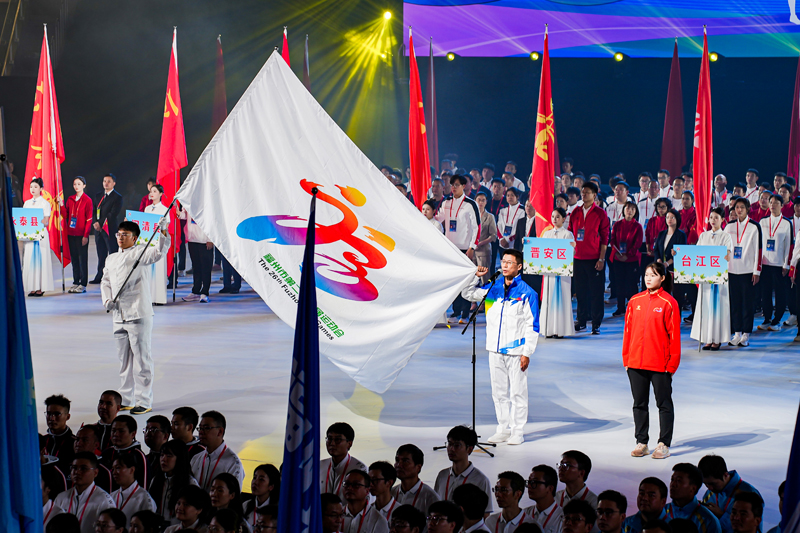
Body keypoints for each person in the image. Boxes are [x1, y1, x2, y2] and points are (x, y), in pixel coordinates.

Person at [462, 249, 540, 444]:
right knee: (498, 392)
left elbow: (533, 326)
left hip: (516, 351)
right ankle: (503, 428)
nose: (504, 266)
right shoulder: (493, 288)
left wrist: (527, 352)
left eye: (509, 262)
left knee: (517, 392)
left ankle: (517, 431)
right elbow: (468, 294)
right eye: (503, 262)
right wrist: (474, 276)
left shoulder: (527, 293)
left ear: (519, 267)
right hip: (494, 349)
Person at [101, 219, 170, 414]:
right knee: (124, 361)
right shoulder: (111, 258)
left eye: (125, 235)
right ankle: (127, 398)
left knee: (142, 359)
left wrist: (163, 230)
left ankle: (144, 400)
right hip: (118, 314)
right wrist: (107, 301)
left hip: (138, 313)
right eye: (119, 234)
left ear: (135, 238)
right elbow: (105, 282)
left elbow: (159, 251)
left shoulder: (141, 252)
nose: (121, 238)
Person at [623, 262, 681, 460]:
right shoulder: (634, 301)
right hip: (636, 363)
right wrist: (626, 359)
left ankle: (663, 443)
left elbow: (674, 336)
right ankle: (642, 442)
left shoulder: (668, 303)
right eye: (647, 274)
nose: (648, 278)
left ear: (662, 278)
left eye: (653, 275)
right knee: (639, 403)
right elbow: (628, 333)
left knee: (663, 404)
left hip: (660, 365)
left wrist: (672, 364)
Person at [435, 175, 480, 323]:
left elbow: (476, 227)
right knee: (454, 282)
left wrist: (472, 247)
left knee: (466, 283)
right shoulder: (446, 202)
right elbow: (437, 219)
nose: (453, 187)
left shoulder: (470, 204)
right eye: (452, 185)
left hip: (465, 248)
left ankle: (465, 313)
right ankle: (455, 312)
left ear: (464, 186)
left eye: (457, 185)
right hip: (450, 249)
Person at [568, 181, 610, 334]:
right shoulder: (575, 212)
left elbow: (605, 238)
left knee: (596, 292)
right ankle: (582, 320)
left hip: (594, 259)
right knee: (580, 292)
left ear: (594, 195)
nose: (584, 194)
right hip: (578, 258)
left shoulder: (600, 213)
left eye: (587, 192)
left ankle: (596, 323)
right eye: (583, 192)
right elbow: (569, 234)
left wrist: (601, 259)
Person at [691, 208, 733, 350]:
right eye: (711, 217)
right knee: (706, 306)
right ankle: (707, 338)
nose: (713, 220)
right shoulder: (703, 235)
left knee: (718, 307)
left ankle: (717, 339)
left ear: (722, 220)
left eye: (716, 217)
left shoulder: (726, 236)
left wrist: (725, 255)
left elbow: (727, 254)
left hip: (719, 277)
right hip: (706, 277)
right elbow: (696, 253)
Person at [724, 198, 762, 347]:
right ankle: (737, 333)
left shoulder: (754, 226)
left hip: (747, 271)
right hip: (732, 270)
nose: (738, 210)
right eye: (736, 207)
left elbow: (758, 250)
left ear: (747, 209)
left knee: (747, 303)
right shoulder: (729, 226)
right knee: (735, 303)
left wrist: (756, 271)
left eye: (741, 207)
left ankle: (746, 334)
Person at [434, 426, 492, 513]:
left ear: (469, 449)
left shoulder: (481, 480)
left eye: (457, 445)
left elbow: (485, 514)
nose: (451, 449)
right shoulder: (442, 475)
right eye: (449, 444)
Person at [54, 453, 116, 533]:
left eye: (83, 468)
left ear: (95, 472)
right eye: (74, 468)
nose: (77, 472)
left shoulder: (104, 501)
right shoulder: (61, 497)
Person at [756, 195, 793, 331]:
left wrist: (786, 265)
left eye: (776, 203)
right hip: (765, 263)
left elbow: (789, 245)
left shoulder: (787, 223)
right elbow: (759, 244)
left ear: (781, 205)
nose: (772, 205)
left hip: (779, 265)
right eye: (770, 202)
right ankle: (767, 318)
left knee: (779, 293)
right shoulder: (763, 221)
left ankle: (777, 320)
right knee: (765, 293)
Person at [698, 455, 761, 533]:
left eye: (713, 484)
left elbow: (756, 529)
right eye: (706, 484)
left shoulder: (749, 492)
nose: (709, 488)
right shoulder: (709, 494)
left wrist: (721, 516)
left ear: (725, 475)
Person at [540, 208, 576, 337]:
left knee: (562, 298)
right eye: (553, 216)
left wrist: (573, 247)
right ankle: (548, 329)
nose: (555, 219)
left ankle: (561, 330)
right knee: (549, 298)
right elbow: (540, 251)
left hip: (563, 273)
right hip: (549, 273)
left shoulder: (567, 234)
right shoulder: (547, 234)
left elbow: (572, 253)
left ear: (564, 218)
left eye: (558, 217)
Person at [190, 411, 245, 491]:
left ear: (220, 432)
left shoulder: (233, 463)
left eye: (206, 428)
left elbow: (233, 497)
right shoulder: (196, 458)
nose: (201, 432)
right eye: (200, 428)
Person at [149, 439, 197, 524]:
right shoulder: (156, 480)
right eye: (162, 455)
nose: (163, 459)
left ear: (179, 458)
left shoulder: (190, 484)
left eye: (169, 455)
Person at [665, 464, 722, 533]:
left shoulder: (708, 520)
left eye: (679, 481)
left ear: (693, 488)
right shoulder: (661, 511)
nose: (673, 484)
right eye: (672, 480)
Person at [21, 178, 54, 296]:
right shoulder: (27, 203)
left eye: (35, 187)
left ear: (41, 188)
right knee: (29, 260)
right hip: (30, 235)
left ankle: (40, 287)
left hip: (40, 235)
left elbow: (46, 221)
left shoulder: (44, 203)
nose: (33, 189)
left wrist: (36, 222)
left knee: (41, 260)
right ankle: (32, 287)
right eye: (31, 187)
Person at [60, 176, 93, 293]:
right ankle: (76, 281)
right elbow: (65, 215)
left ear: (84, 185)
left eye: (79, 184)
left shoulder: (87, 200)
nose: (76, 186)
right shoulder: (70, 199)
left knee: (82, 259)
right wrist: (61, 204)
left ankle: (83, 284)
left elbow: (89, 220)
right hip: (71, 233)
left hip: (81, 235)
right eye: (75, 184)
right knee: (74, 258)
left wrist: (85, 235)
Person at [611, 201, 643, 318]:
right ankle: (620, 307)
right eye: (628, 208)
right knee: (619, 284)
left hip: (632, 260)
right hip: (618, 258)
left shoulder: (637, 226)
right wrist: (618, 254)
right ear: (623, 210)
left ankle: (633, 307)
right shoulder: (617, 224)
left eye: (632, 209)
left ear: (635, 212)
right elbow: (612, 240)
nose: (629, 211)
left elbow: (638, 243)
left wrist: (628, 255)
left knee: (632, 285)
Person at [320, 422, 368, 500]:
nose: (332, 443)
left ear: (349, 444)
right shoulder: (319, 466)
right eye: (329, 438)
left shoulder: (360, 469)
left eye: (338, 440)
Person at [101, 415, 150, 490]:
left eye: (121, 431)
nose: (116, 434)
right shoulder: (107, 453)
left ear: (133, 434)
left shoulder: (138, 457)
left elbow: (143, 488)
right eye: (113, 431)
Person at [90, 173, 124, 284]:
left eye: (109, 181)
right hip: (98, 230)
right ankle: (100, 275)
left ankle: (113, 276)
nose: (106, 183)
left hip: (110, 229)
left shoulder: (117, 197)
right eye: (104, 181)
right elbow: (94, 210)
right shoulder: (98, 195)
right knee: (101, 254)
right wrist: (95, 222)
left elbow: (113, 213)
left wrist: (101, 223)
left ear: (114, 183)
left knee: (112, 253)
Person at [391, 444, 440, 517]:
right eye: (397, 460)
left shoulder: (430, 497)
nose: (399, 465)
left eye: (405, 461)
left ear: (418, 467)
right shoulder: (391, 492)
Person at [110, 454, 157, 523]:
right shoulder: (111, 496)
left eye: (118, 468)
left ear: (132, 470)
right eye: (113, 469)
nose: (114, 472)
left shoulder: (144, 499)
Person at [143, 184, 170, 305]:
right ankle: (148, 297)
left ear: (160, 194)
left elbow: (166, 228)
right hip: (148, 242)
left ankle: (159, 298)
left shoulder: (164, 209)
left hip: (159, 242)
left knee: (159, 269)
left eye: (155, 191)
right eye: (150, 191)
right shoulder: (147, 209)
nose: (152, 193)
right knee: (148, 270)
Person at [181, 207, 214, 303]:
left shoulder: (206, 201)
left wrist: (210, 239)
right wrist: (178, 211)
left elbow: (212, 220)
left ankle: (205, 292)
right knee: (196, 267)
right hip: (192, 239)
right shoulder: (188, 200)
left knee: (206, 267)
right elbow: (184, 216)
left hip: (204, 240)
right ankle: (196, 291)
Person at [40, 394, 75, 478]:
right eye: (48, 414)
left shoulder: (75, 444)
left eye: (57, 414)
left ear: (68, 416)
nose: (52, 418)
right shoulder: (41, 441)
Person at [523, 465, 563, 533]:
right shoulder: (524, 514)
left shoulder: (563, 518)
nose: (529, 486)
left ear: (550, 488)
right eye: (529, 482)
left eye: (534, 482)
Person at [74, 425, 113, 493]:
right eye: (77, 439)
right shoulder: (66, 465)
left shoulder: (104, 471)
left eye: (84, 440)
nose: (78, 443)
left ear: (96, 445)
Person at [243, 464, 280, 528]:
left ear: (271, 487)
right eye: (254, 478)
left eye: (261, 479)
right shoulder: (245, 506)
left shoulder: (279, 509)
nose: (255, 482)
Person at [474, 191, 498, 283]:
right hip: (472, 250)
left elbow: (493, 236)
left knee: (485, 277)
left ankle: (487, 295)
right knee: (472, 277)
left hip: (483, 250)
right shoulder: (471, 215)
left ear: (486, 202)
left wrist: (480, 243)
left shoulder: (489, 217)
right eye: (479, 200)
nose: (480, 202)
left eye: (483, 200)